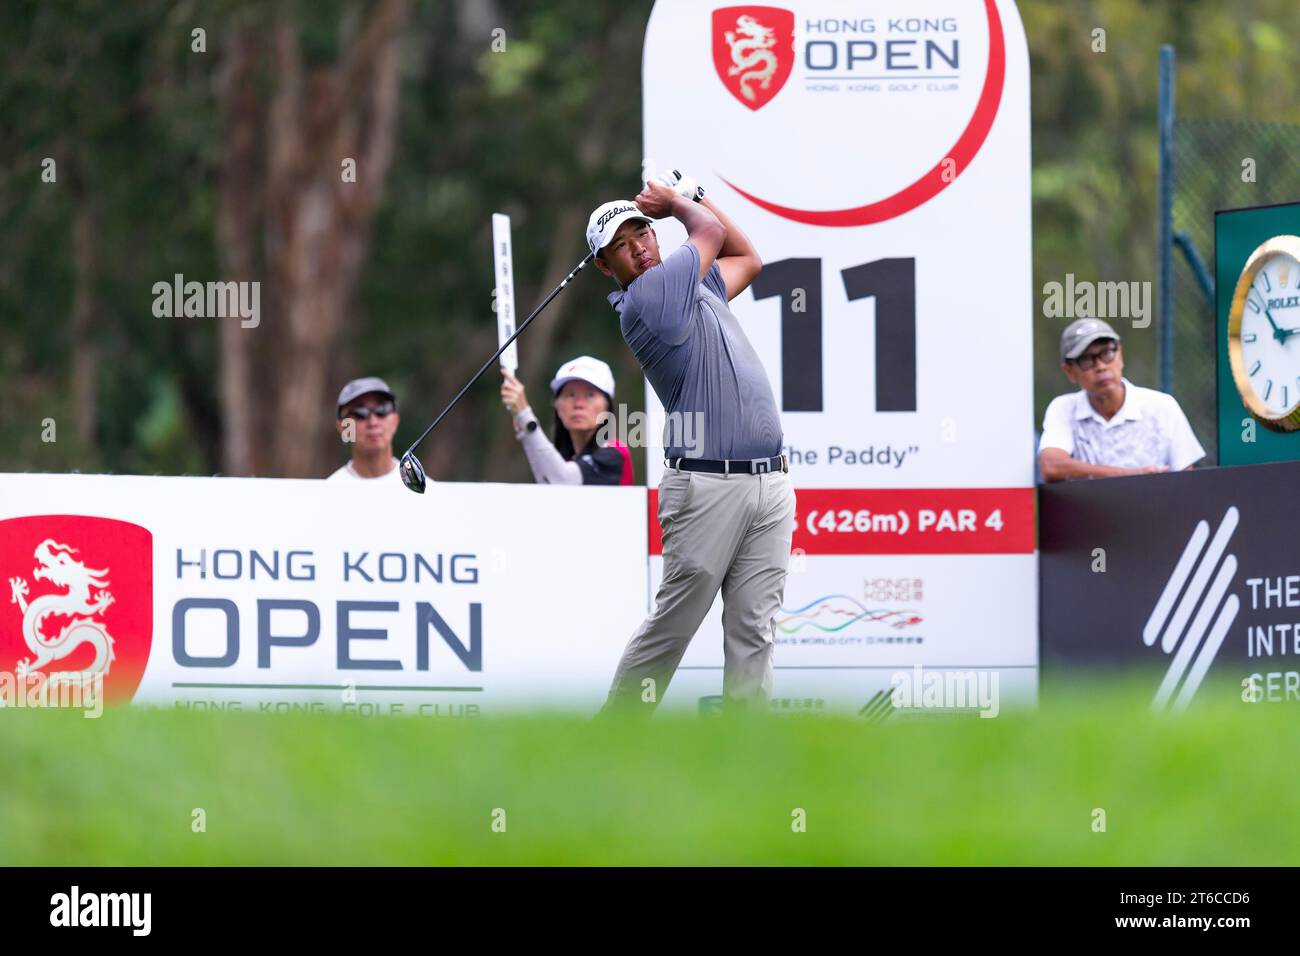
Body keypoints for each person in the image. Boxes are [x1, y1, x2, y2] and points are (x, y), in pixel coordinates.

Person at [589, 170, 794, 715]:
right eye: (622, 247)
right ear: (606, 268)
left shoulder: (694, 285)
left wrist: (697, 198)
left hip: (768, 483)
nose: (639, 248)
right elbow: (706, 232)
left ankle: (745, 752)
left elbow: (747, 258)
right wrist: (681, 201)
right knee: (673, 626)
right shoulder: (647, 299)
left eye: (642, 234)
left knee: (754, 630)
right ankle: (613, 734)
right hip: (705, 485)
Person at [1039, 317, 1205, 481]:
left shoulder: (1162, 406)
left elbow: (1186, 481)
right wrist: (1131, 477)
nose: (1101, 366)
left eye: (1107, 353)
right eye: (1086, 360)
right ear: (1069, 371)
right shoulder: (1063, 408)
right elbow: (1052, 466)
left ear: (1121, 356)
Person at [499, 355, 634, 485]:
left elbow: (563, 480)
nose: (579, 404)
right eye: (570, 395)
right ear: (557, 408)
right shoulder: (565, 459)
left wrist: (525, 417)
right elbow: (548, 482)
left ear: (607, 407)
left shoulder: (615, 452)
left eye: (590, 395)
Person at [327, 376, 405, 483]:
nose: (373, 422)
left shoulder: (422, 489)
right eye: (360, 413)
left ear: (395, 421)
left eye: (382, 410)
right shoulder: (329, 492)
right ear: (344, 428)